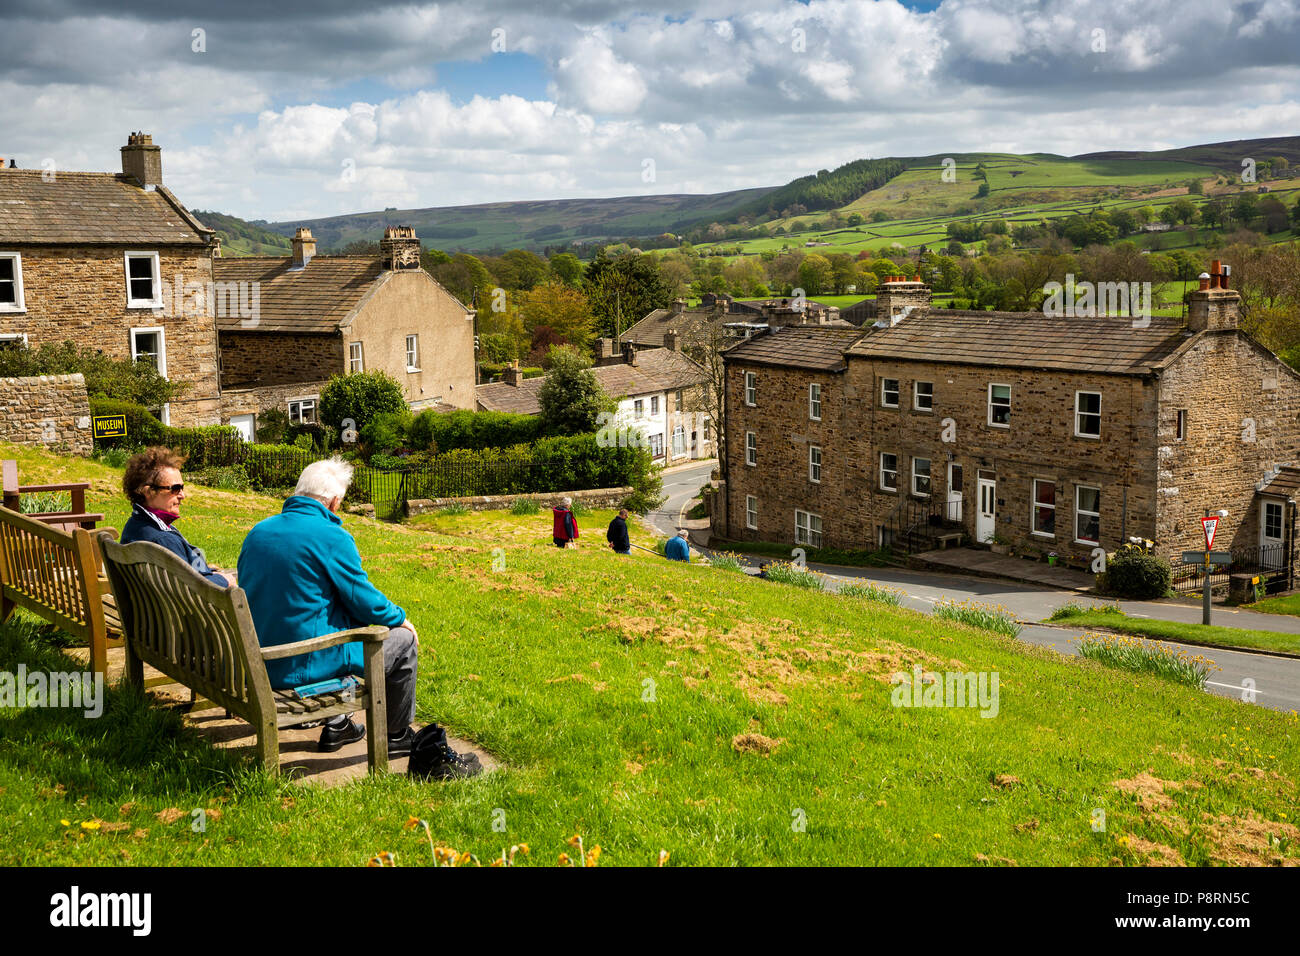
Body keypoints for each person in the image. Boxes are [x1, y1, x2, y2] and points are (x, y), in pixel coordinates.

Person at [237, 458, 480, 778]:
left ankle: (338, 723)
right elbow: (365, 602)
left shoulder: (258, 531)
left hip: (259, 660)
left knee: (324, 617)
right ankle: (395, 735)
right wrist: (400, 618)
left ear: (298, 492)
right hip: (299, 671)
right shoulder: (331, 536)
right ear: (335, 501)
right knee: (402, 641)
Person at [120, 447, 233, 587]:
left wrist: (204, 568)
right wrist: (225, 580)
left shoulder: (135, 525)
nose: (182, 496)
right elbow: (193, 589)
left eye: (182, 488)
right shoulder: (163, 540)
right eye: (175, 489)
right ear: (148, 492)